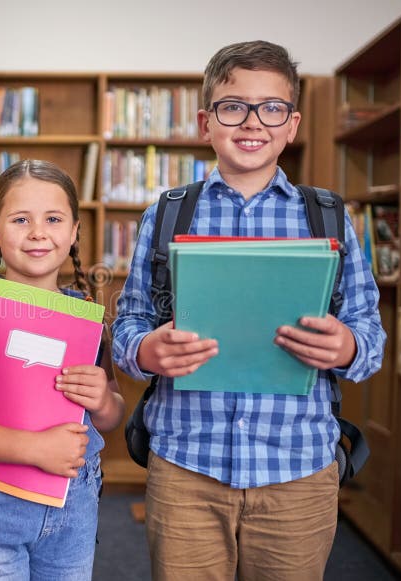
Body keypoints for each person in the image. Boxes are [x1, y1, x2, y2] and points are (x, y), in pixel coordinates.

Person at [111, 40, 386, 580]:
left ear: (292, 124)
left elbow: (369, 334)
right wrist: (145, 348)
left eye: (272, 108)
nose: (252, 121)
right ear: (204, 123)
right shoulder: (165, 215)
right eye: (232, 106)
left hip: (299, 468)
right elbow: (128, 322)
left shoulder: (327, 217)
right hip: (186, 465)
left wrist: (347, 345)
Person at [0, 159, 125, 580]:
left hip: (73, 505)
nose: (37, 232)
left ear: (73, 233)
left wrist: (103, 399)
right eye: (19, 219)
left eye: (53, 219)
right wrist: (34, 449)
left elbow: (111, 415)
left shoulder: (86, 317)